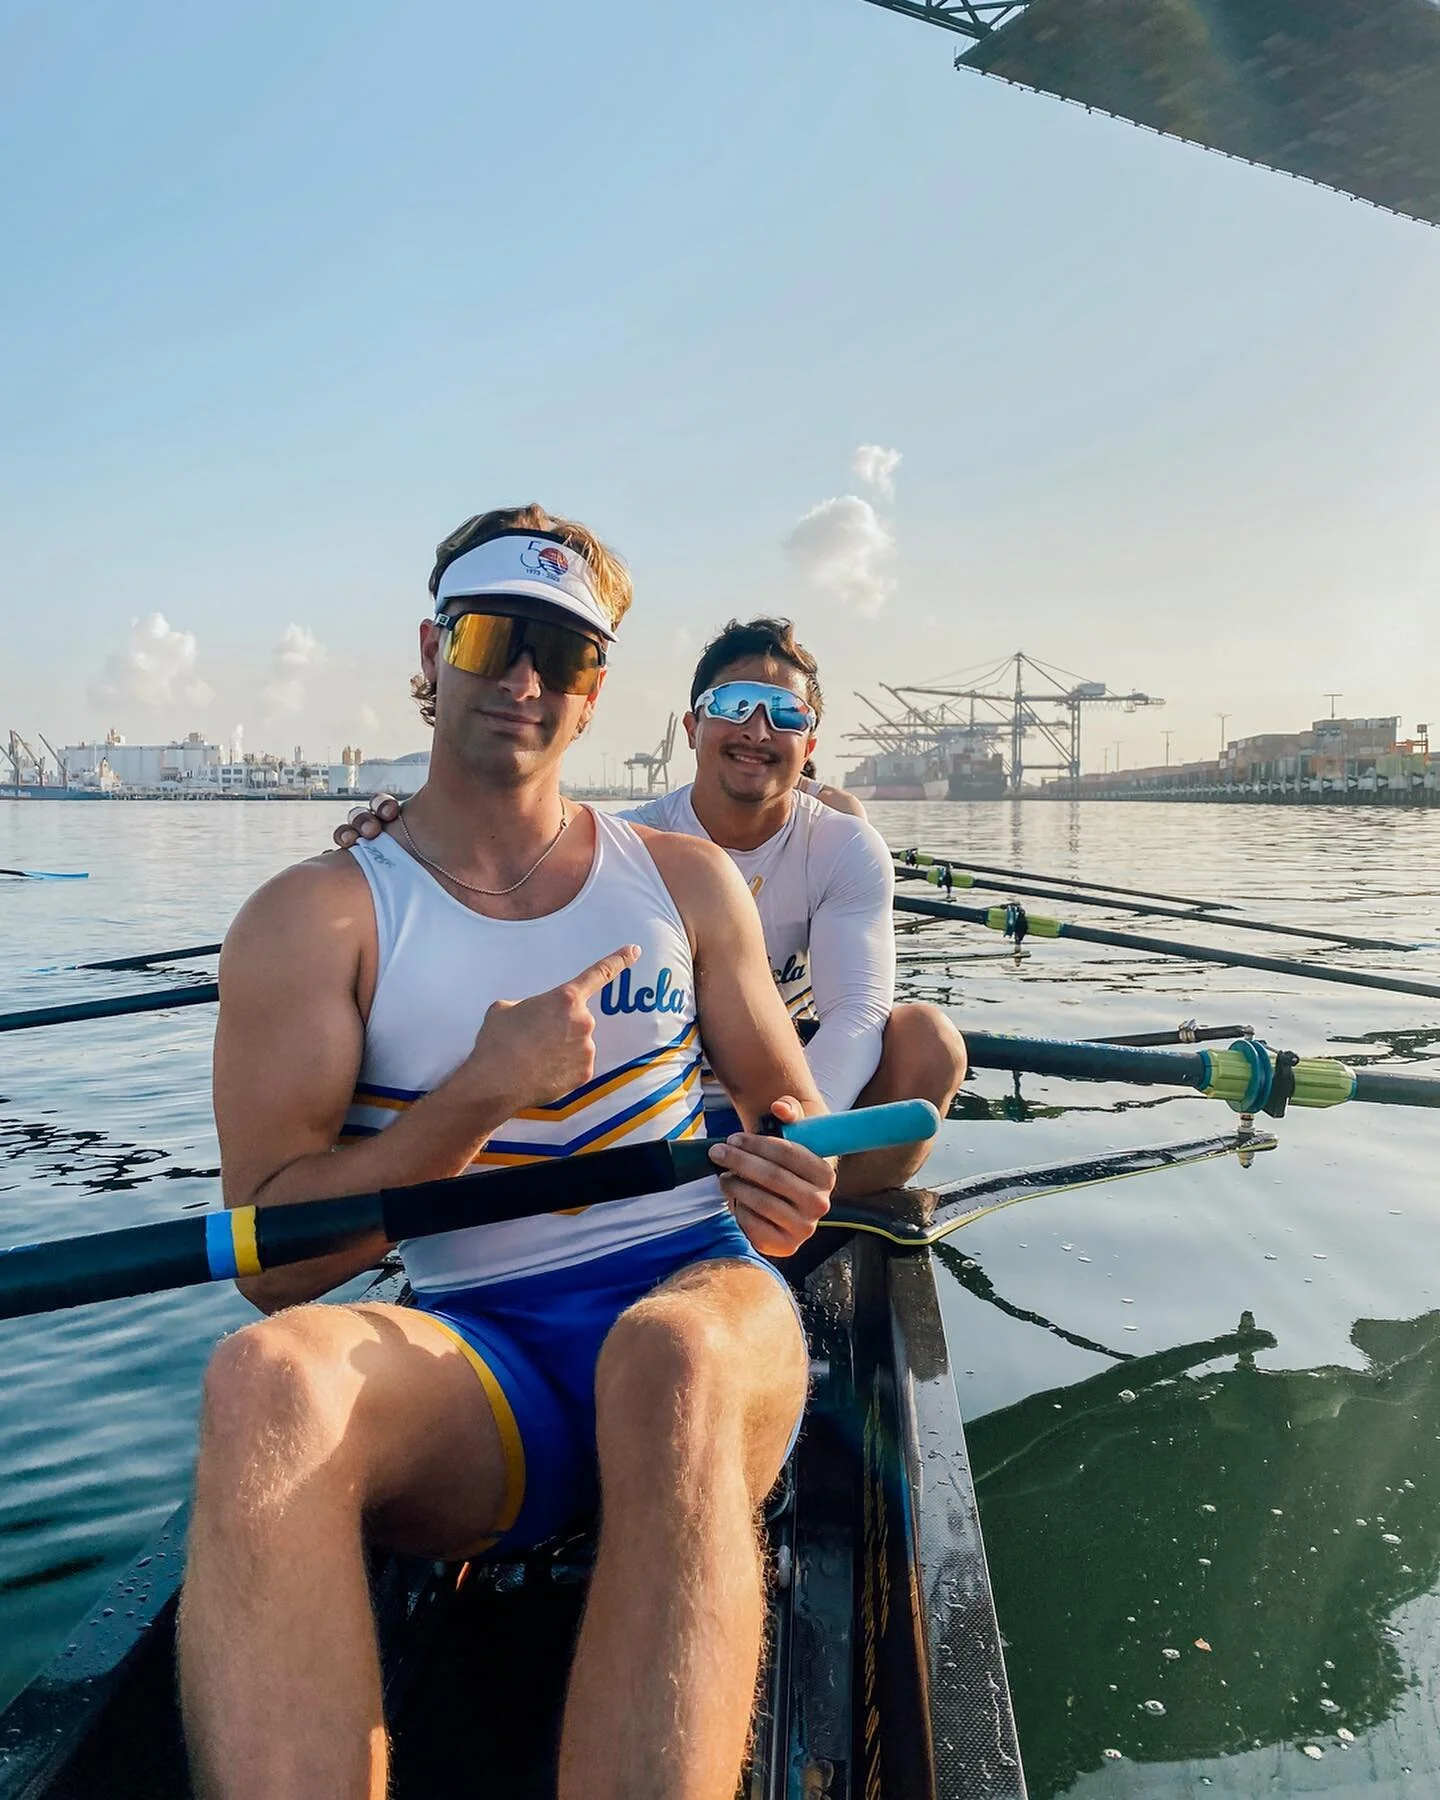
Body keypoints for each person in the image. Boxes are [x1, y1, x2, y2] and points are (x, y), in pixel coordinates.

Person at [183, 505, 837, 1800]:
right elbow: (275, 1258)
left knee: (669, 1358)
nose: (527, 677)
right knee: (263, 1381)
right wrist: (475, 1096)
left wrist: (791, 1172)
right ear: (433, 651)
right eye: (495, 636)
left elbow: (787, 1104)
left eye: (566, 652)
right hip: (487, 1367)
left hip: (694, 1297)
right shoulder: (314, 920)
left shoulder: (685, 881)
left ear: (597, 690)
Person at [339, 617, 967, 1198]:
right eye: (731, 705)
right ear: (692, 728)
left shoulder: (843, 843)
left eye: (785, 713)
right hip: (662, 1098)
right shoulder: (634, 841)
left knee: (929, 1042)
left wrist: (802, 1143)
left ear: (809, 746)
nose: (756, 729)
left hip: (795, 1085)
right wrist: (409, 842)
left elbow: (858, 1012)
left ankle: (822, 1212)